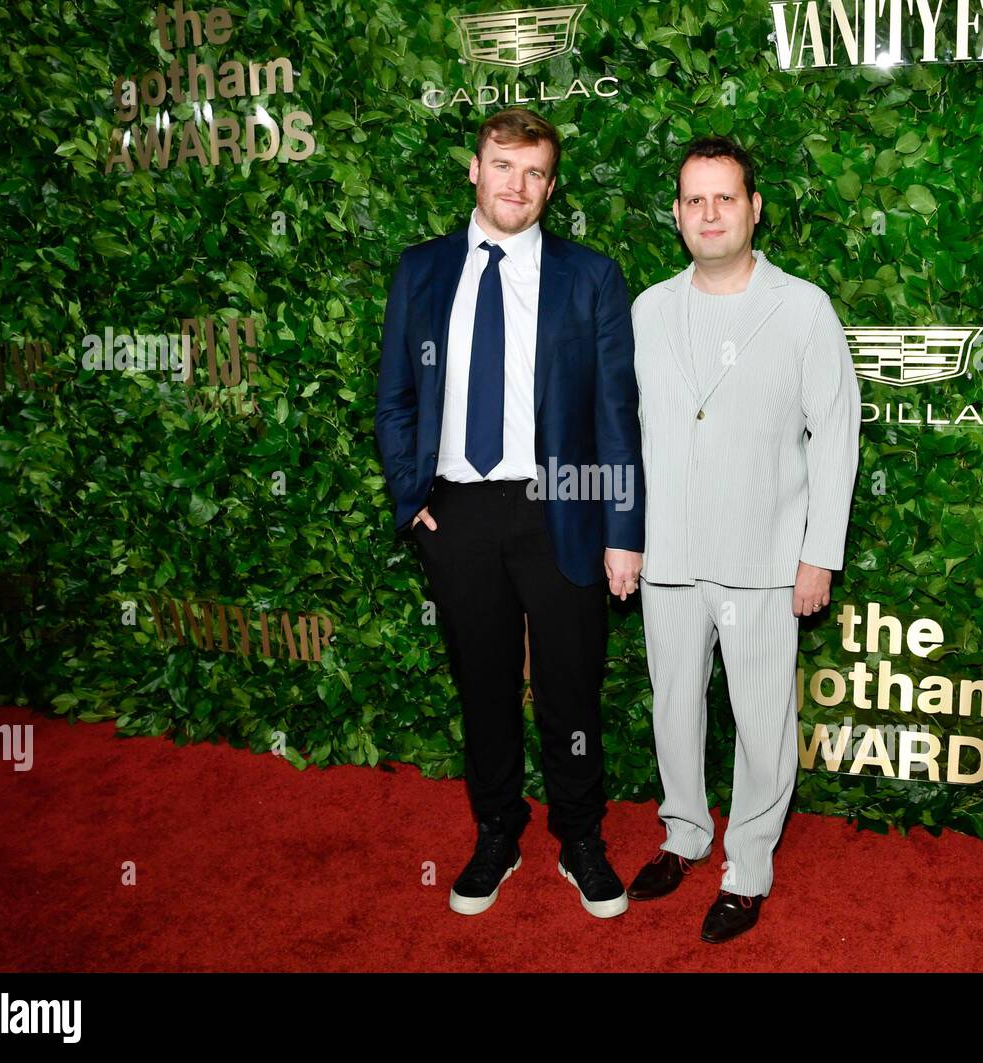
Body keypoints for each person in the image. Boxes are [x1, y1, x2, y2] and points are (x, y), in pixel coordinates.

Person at [375, 107, 644, 919]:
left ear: (550, 186)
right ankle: (497, 830)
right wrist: (409, 499)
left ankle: (581, 836)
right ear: (475, 169)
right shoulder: (420, 271)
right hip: (456, 514)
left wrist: (623, 531)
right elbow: (395, 399)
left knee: (571, 687)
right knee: (483, 686)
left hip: (560, 506)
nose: (516, 185)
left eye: (533, 173)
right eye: (502, 165)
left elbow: (615, 414)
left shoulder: (588, 275)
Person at [626, 136, 861, 943]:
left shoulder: (803, 307)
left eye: (725, 197)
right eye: (695, 200)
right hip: (668, 554)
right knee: (673, 710)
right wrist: (625, 535)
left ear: (755, 208)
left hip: (764, 558)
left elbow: (836, 434)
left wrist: (817, 553)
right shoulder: (648, 309)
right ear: (677, 215)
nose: (710, 213)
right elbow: (632, 433)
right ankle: (684, 831)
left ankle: (749, 862)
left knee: (762, 723)